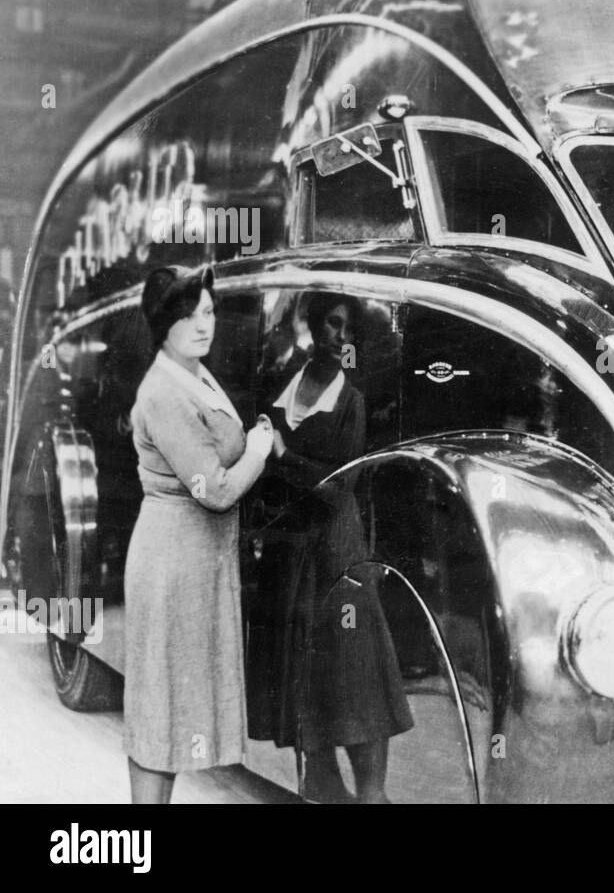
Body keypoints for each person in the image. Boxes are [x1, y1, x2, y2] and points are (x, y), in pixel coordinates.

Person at [246, 293, 412, 803]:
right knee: (301, 668)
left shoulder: (350, 402)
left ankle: (373, 795)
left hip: (336, 548)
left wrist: (281, 454)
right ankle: (319, 781)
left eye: (348, 331)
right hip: (290, 550)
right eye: (332, 326)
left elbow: (339, 487)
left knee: (354, 671)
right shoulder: (280, 389)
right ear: (313, 328)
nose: (340, 338)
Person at [123, 265, 274, 804]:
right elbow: (215, 488)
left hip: (198, 561)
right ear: (163, 324)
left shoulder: (195, 373)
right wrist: (258, 450)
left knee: (177, 709)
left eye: (207, 311)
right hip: (172, 563)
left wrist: (254, 440)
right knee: (161, 711)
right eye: (186, 315)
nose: (200, 323)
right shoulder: (163, 390)